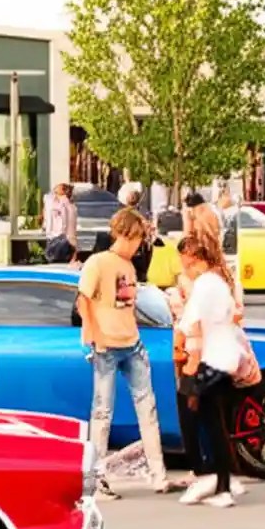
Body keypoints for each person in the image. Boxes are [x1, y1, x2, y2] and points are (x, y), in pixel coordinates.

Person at [77, 207, 177, 498]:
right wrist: (93, 335)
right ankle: (94, 481)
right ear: (125, 234)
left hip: (131, 343)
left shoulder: (130, 267)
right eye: (136, 239)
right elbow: (83, 300)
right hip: (106, 346)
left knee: (147, 409)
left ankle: (158, 475)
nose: (138, 246)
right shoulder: (97, 263)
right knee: (102, 413)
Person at [176, 235, 254, 508]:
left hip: (209, 359)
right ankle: (222, 483)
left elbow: (193, 326)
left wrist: (192, 367)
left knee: (200, 422)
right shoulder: (220, 283)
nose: (184, 269)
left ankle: (212, 480)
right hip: (226, 358)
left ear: (193, 260)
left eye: (185, 264)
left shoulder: (204, 286)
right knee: (215, 426)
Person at [43, 182, 78, 264]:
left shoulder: (59, 205)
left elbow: (63, 226)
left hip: (58, 243)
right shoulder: (72, 206)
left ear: (62, 192)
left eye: (55, 192)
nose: (53, 195)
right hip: (69, 244)